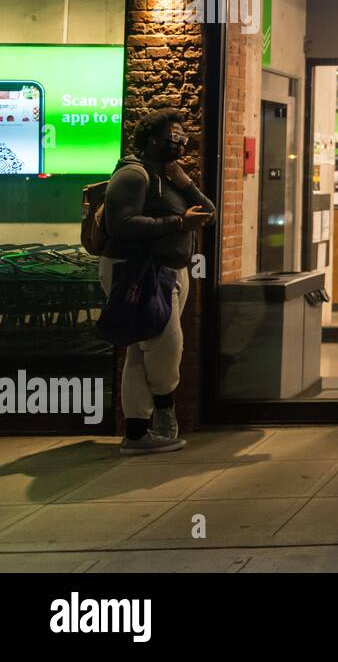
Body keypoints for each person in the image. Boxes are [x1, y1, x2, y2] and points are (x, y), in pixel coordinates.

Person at [98, 107, 214, 455]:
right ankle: (164, 410)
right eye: (174, 137)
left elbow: (206, 213)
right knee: (165, 345)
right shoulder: (133, 175)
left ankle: (136, 432)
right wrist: (178, 225)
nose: (181, 142)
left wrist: (186, 183)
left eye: (183, 136)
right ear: (152, 140)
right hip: (138, 272)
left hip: (169, 271)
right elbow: (122, 224)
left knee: (141, 347)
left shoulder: (166, 175)